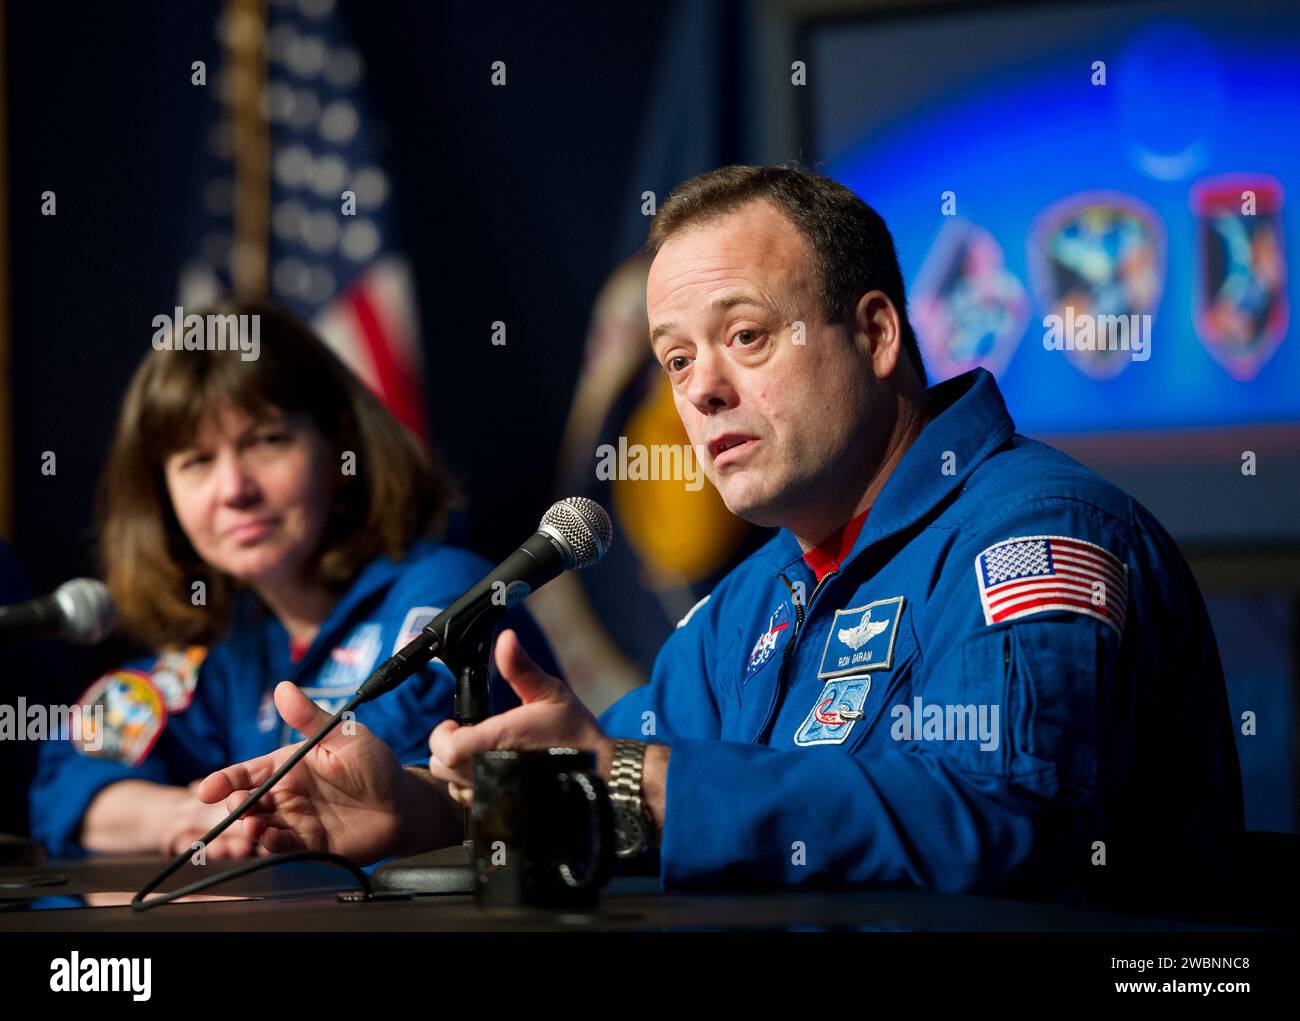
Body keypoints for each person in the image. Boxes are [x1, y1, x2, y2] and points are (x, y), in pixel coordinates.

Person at [199, 167, 1244, 907]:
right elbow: (614, 773)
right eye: (673, 356)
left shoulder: (1034, 533)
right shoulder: (751, 602)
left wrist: (642, 781)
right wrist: (420, 812)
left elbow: (1013, 829)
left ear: (876, 333)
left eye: (744, 336)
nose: (700, 389)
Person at [29, 300, 552, 860]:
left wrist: (232, 816)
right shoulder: (231, 646)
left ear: (339, 446)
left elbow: (386, 777)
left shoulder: (446, 593)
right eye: (196, 461)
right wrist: (180, 816)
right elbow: (69, 773)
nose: (234, 489)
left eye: (266, 440)